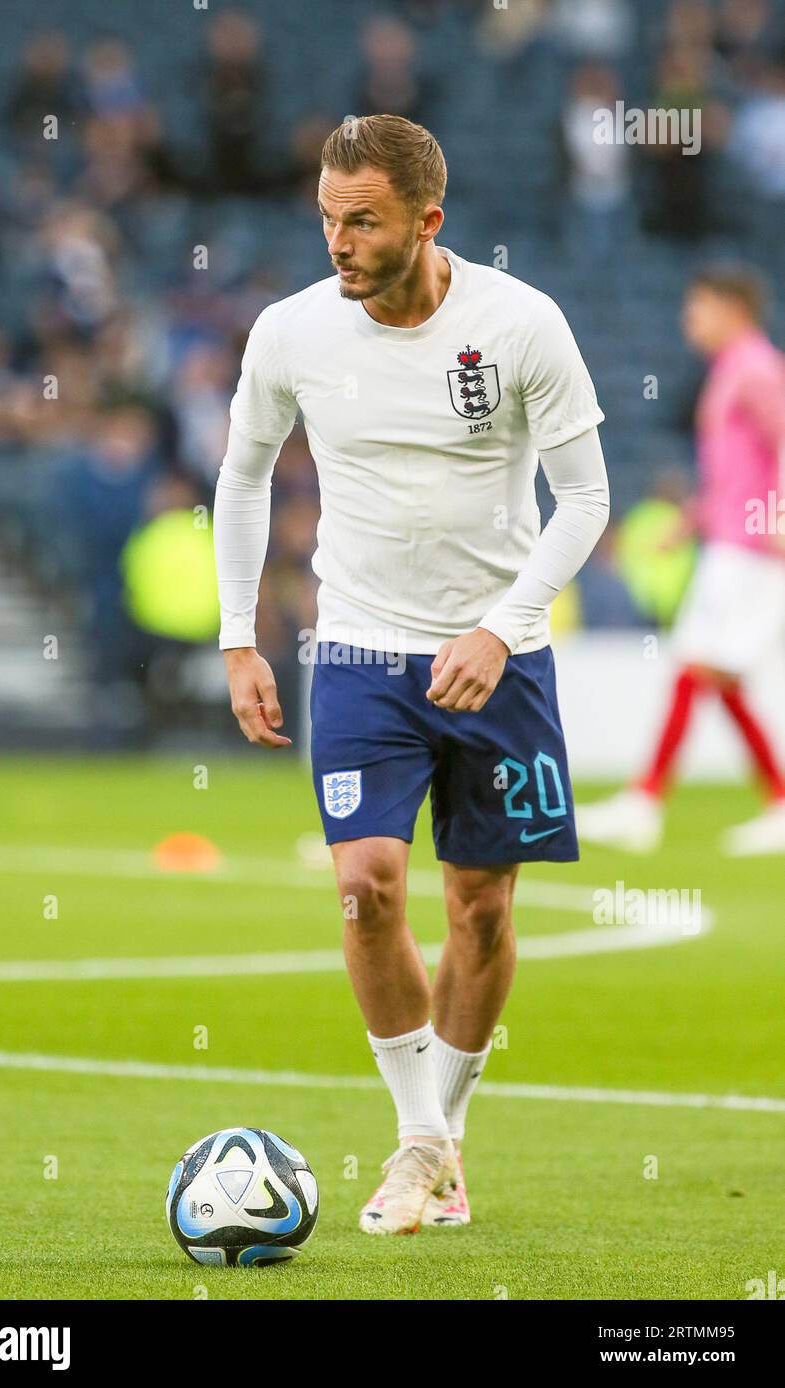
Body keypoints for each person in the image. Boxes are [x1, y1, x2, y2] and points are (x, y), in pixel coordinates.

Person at [213, 114, 609, 1235]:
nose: (337, 241)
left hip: (500, 659)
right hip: (354, 648)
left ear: (428, 221)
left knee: (477, 910)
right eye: (327, 219)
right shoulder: (290, 333)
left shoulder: (520, 323)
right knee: (368, 883)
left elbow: (584, 499)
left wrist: (502, 625)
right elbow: (243, 475)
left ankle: (444, 1140)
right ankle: (418, 1139)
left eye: (363, 221)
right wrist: (238, 635)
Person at [576, 266, 785, 855]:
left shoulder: (754, 368)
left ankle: (644, 800)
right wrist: (693, 521)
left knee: (698, 666)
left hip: (750, 550)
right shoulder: (730, 371)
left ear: (730, 308)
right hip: (731, 543)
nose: (688, 321)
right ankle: (773, 801)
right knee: (717, 675)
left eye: (697, 308)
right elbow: (736, 470)